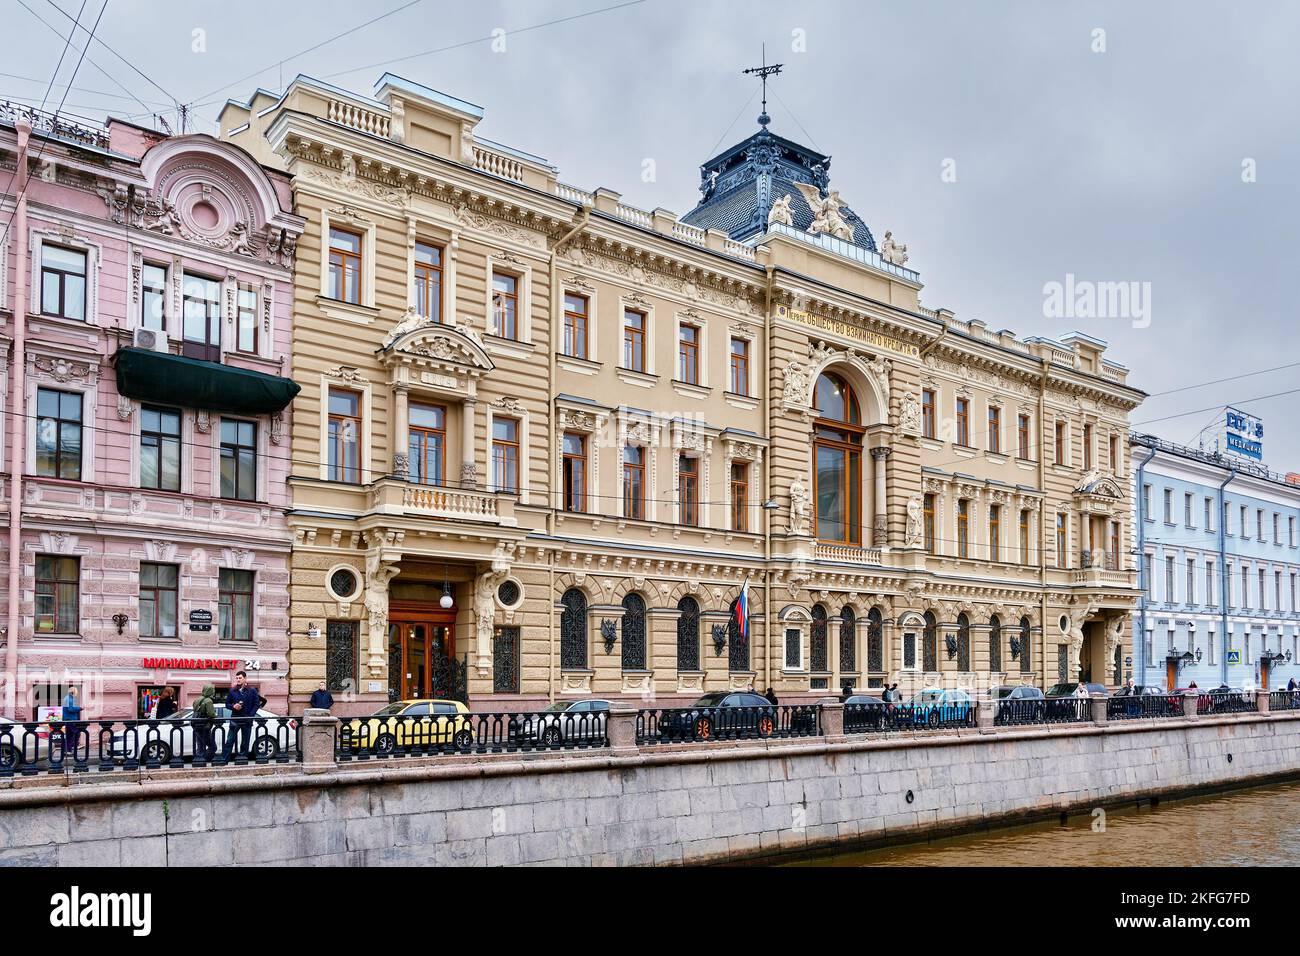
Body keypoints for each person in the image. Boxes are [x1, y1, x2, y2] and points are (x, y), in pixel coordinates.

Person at [221, 671, 261, 761]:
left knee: (245, 741)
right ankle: (224, 759)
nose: (238, 680)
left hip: (247, 720)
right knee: (230, 740)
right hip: (235, 719)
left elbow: (256, 704)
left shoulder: (252, 690)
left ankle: (242, 758)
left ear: (245, 678)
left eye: (240, 678)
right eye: (237, 678)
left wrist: (250, 716)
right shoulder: (232, 690)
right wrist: (233, 706)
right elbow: (227, 704)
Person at [191, 684, 217, 763]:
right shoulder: (208, 700)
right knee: (213, 746)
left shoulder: (197, 699)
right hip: (204, 725)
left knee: (200, 746)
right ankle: (203, 759)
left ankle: (198, 760)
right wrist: (215, 715)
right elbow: (211, 714)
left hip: (196, 724)